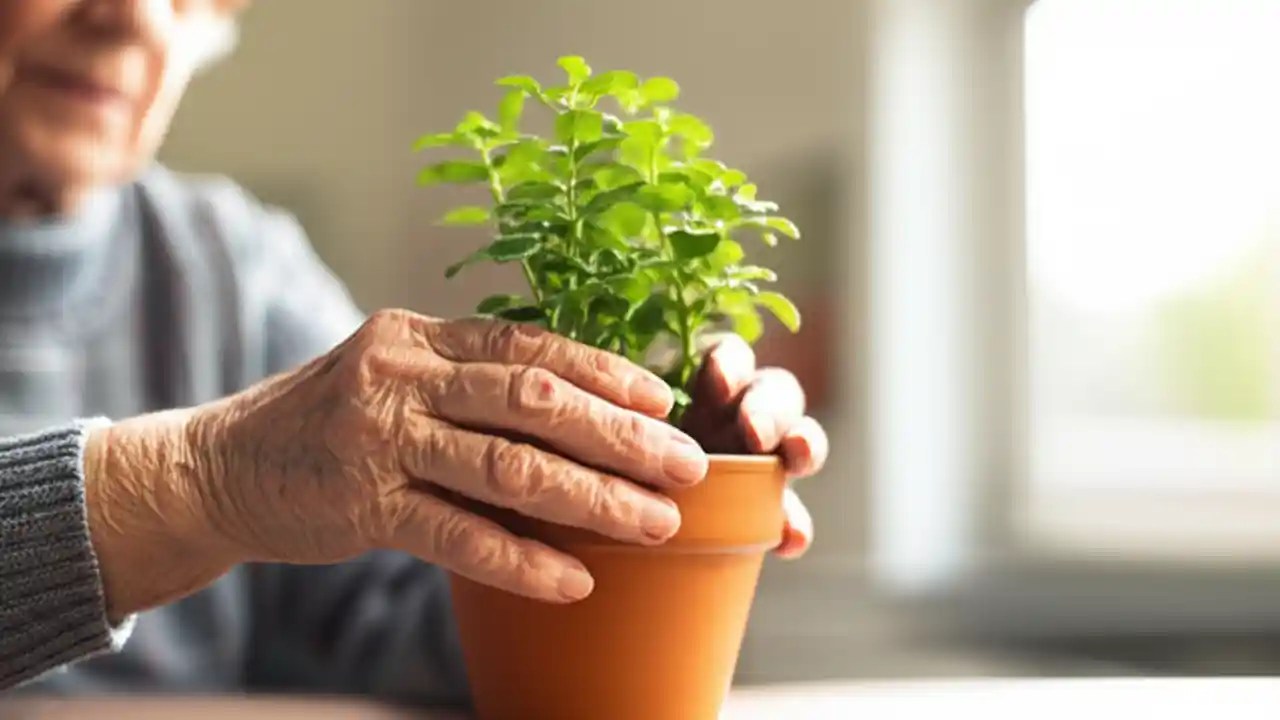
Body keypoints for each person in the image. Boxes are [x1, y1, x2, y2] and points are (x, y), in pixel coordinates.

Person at [0, 0, 829, 707]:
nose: (134, 18)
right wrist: (206, 478)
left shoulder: (232, 268)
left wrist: (630, 503)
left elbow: (400, 628)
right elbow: (228, 474)